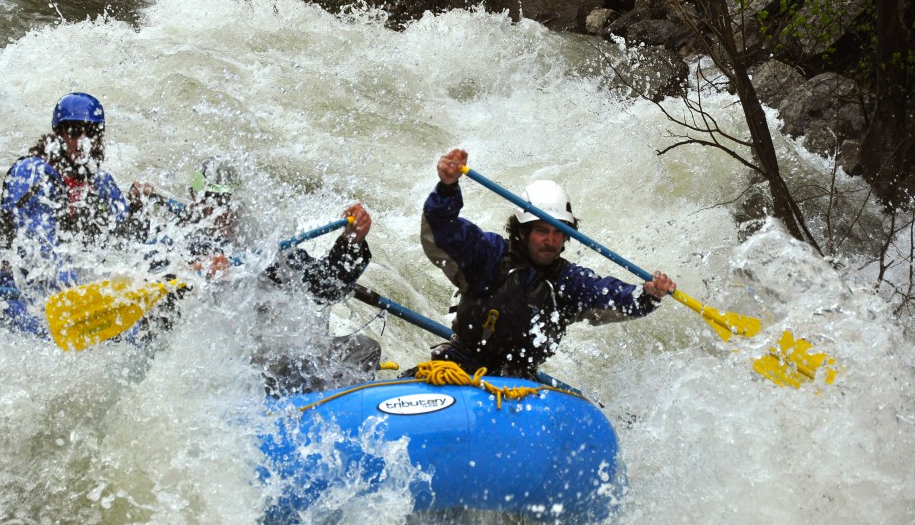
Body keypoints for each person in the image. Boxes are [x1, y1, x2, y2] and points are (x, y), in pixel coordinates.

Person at [419, 147, 676, 379]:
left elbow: (609, 295)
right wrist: (448, 188)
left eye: (558, 233)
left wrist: (647, 295)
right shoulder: (489, 255)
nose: (551, 241)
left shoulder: (568, 282)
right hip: (458, 366)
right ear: (522, 231)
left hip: (518, 382)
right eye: (542, 231)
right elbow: (442, 230)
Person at [178, 158, 381, 395]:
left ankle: (332, 411)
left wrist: (350, 242)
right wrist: (194, 273)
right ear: (195, 200)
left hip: (281, 359)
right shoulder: (179, 241)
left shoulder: (262, 246)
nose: (224, 210)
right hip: (228, 369)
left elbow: (325, 287)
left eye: (229, 201)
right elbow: (154, 284)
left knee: (365, 349)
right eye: (213, 201)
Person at [0, 92, 154, 336]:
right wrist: (90, 295)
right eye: (75, 131)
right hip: (26, 294)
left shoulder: (100, 182)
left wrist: (138, 208)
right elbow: (40, 254)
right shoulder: (32, 174)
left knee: (140, 333)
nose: (83, 141)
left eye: (92, 133)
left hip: (75, 292)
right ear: (59, 134)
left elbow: (129, 238)